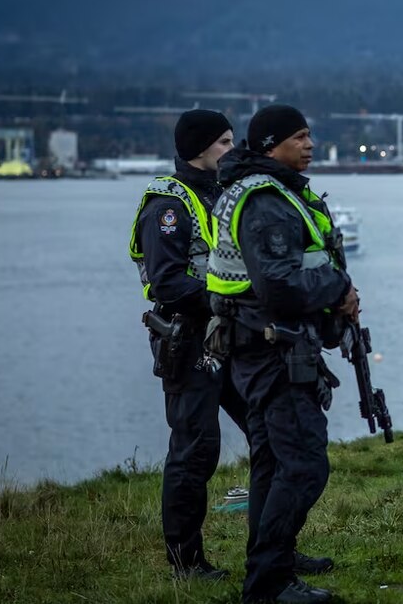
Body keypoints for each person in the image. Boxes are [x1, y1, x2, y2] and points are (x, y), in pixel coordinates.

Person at [207, 105, 355, 603]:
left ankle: (271, 564)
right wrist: (337, 285)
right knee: (306, 465)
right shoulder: (265, 200)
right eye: (299, 137)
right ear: (272, 145)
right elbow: (279, 287)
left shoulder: (266, 191)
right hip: (271, 348)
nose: (310, 144)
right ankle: (269, 583)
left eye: (311, 135)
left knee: (272, 464)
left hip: (260, 345)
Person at [129, 109, 247, 580]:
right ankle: (186, 563)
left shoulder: (222, 195)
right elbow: (167, 283)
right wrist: (230, 300)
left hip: (231, 339)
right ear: (198, 148)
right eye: (223, 143)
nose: (231, 151)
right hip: (189, 342)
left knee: (272, 433)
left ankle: (277, 548)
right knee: (195, 451)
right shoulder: (168, 207)